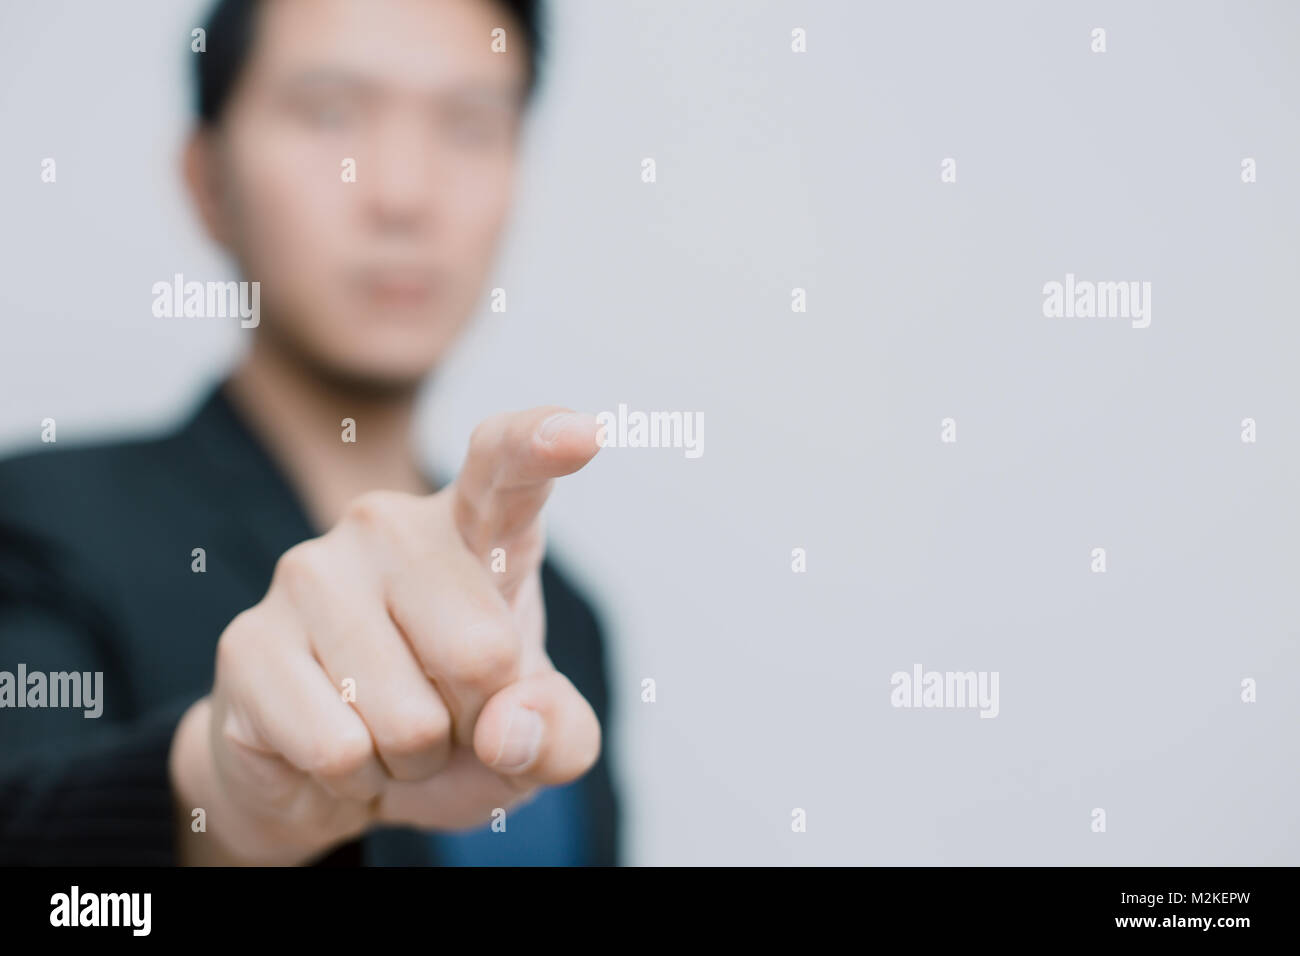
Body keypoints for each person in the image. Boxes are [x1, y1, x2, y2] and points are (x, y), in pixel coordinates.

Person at [0, 0, 620, 866]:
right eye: (331, 113)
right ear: (208, 181)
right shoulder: (38, 528)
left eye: (471, 125)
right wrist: (218, 792)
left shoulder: (566, 616)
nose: (404, 195)